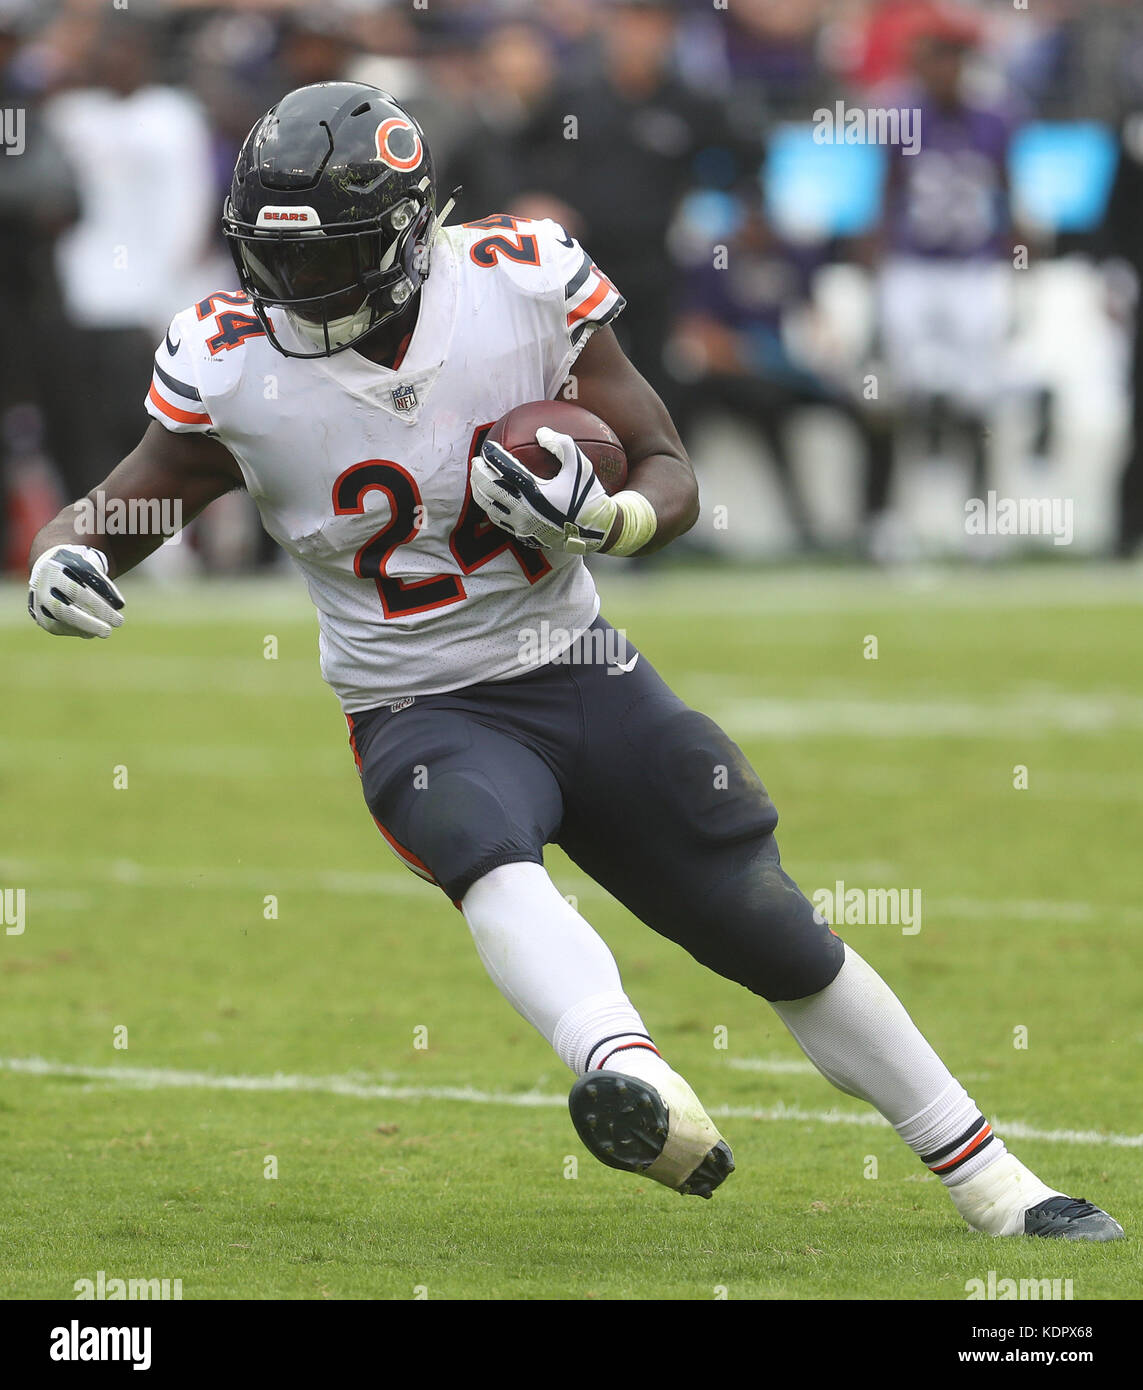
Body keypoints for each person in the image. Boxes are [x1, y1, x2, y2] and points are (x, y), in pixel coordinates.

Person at [27, 83, 1122, 1239]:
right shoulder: (230, 354)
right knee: (484, 853)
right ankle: (633, 1075)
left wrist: (613, 523)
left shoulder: (521, 282)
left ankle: (1000, 1186)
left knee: (771, 928)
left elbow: (667, 467)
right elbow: (129, 504)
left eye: (322, 260)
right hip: (413, 699)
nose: (286, 291)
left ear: (403, 241)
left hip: (577, 660)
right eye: (271, 259)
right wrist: (65, 555)